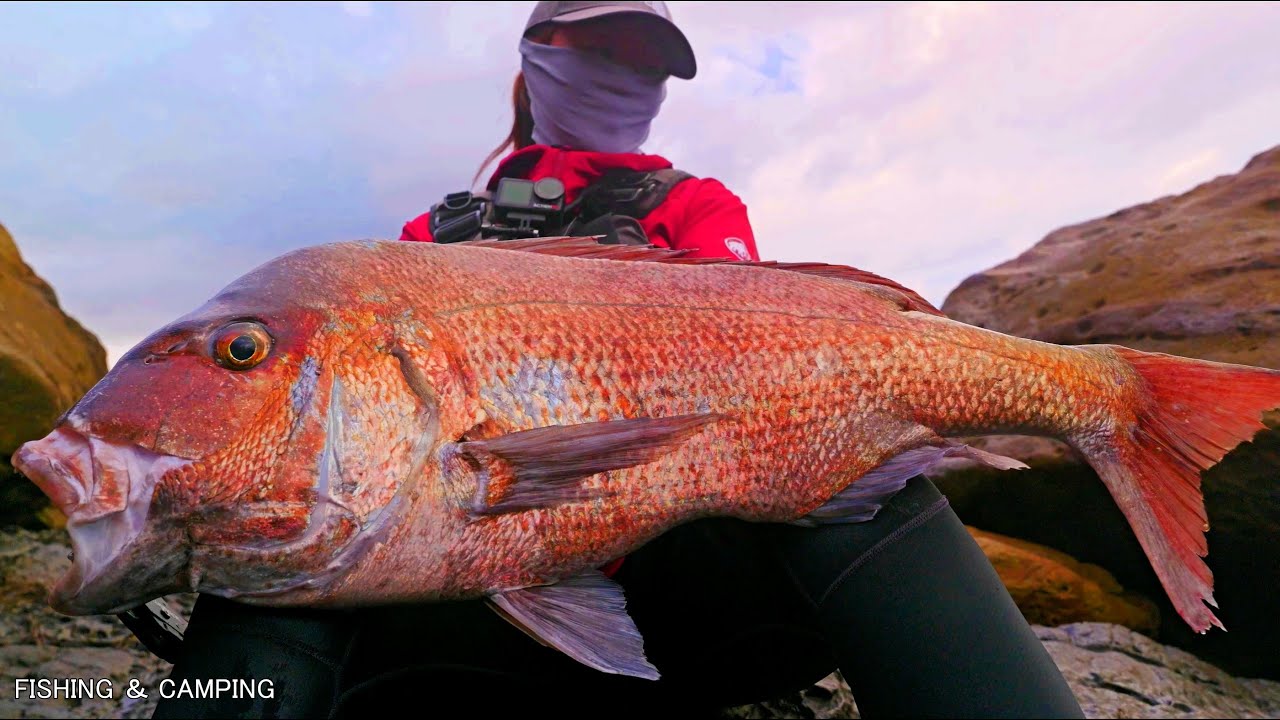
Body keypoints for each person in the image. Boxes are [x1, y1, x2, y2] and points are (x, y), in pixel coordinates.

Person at [151, 3, 1086, 718]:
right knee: (272, 534)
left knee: (845, 469)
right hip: (457, 636)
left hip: (695, 627)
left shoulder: (700, 208)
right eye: (604, 48)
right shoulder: (424, 243)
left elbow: (760, 364)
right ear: (535, 52)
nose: (628, 74)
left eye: (649, 62)